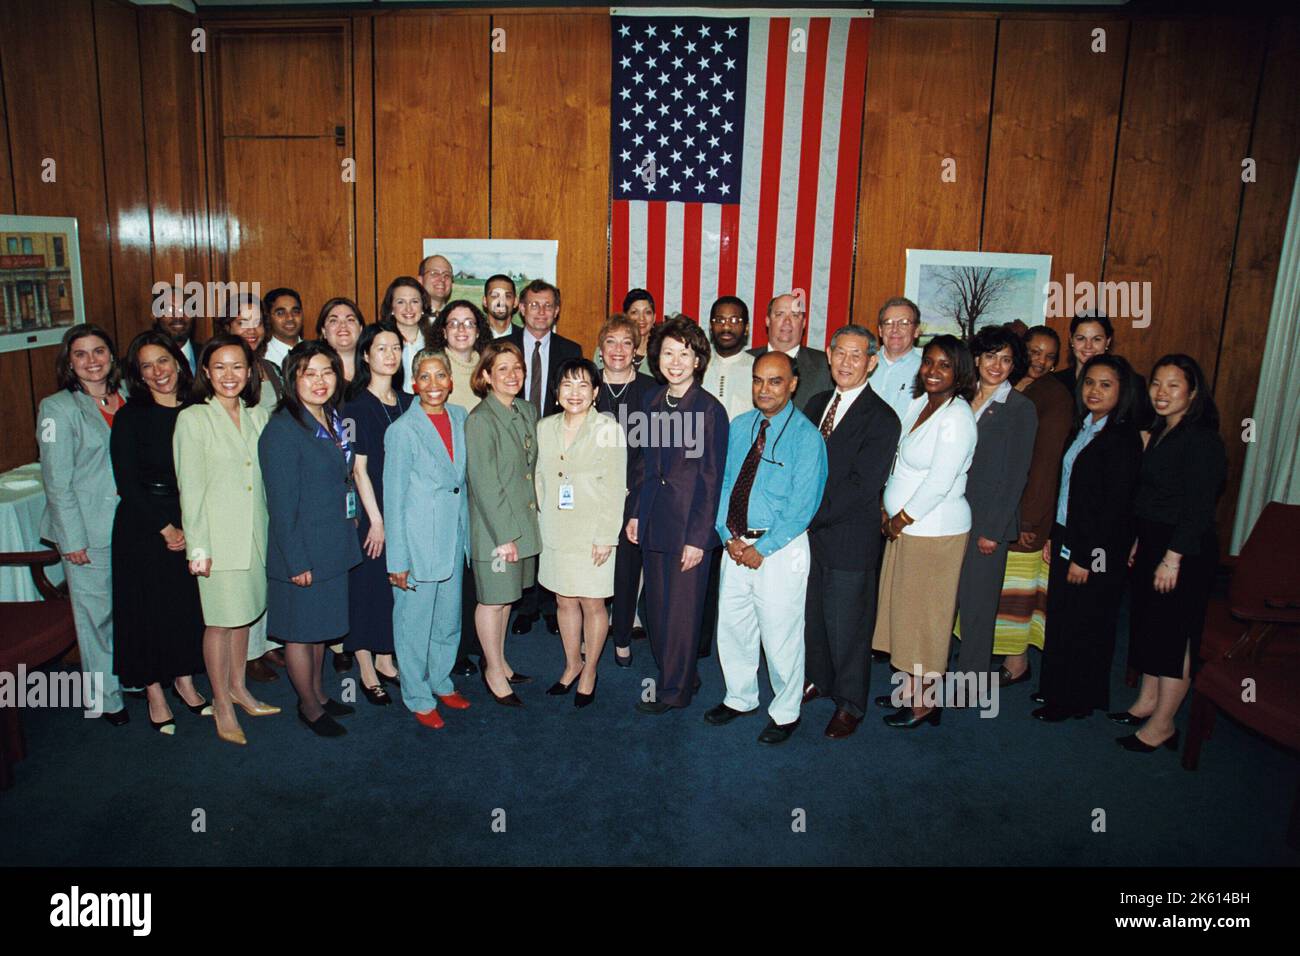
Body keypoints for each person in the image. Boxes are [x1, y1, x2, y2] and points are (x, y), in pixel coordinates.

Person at [704, 352, 827, 744]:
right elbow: (723, 485)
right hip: (736, 544)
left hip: (780, 550)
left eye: (775, 381)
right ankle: (740, 697)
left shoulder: (807, 438)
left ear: (793, 384)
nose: (764, 389)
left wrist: (764, 547)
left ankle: (786, 711)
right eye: (758, 380)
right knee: (734, 627)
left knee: (780, 634)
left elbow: (802, 505)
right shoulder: (741, 426)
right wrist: (726, 534)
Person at [1111, 355, 1226, 752]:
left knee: (1174, 637)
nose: (1161, 393)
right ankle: (1146, 703)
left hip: (1184, 551)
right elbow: (1153, 497)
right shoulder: (1164, 431)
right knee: (1150, 626)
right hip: (1154, 541)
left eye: (1173, 385)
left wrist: (1172, 557)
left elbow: (1197, 508)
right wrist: (1142, 542)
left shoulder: (1202, 440)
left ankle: (1163, 725)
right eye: (1156, 384)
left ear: (1193, 392)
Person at [174, 334, 280, 746]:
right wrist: (198, 548)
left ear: (251, 371)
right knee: (220, 623)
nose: (229, 375)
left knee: (245, 616)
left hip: (255, 537)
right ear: (205, 372)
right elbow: (192, 489)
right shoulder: (193, 419)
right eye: (219, 367)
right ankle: (220, 701)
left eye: (238, 366)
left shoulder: (256, 414)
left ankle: (238, 688)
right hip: (217, 542)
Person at [872, 335, 978, 729]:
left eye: (944, 365)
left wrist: (899, 519)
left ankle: (927, 704)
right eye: (928, 362)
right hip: (909, 529)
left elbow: (939, 481)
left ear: (960, 372)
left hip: (934, 532)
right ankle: (908, 692)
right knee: (906, 613)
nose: (933, 371)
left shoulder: (956, 417)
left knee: (927, 618)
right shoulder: (922, 403)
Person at [259, 341, 363, 737]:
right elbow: (282, 507)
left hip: (331, 543)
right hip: (302, 550)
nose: (320, 382)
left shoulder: (329, 418)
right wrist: (296, 561)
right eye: (309, 374)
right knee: (301, 634)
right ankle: (307, 707)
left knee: (320, 628)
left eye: (327, 372)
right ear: (292, 379)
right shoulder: (283, 429)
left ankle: (318, 694)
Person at [626, 316, 729, 714]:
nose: (675, 361)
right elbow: (643, 466)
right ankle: (681, 673)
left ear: (698, 359)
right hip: (653, 519)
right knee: (656, 610)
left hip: (689, 527)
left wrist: (699, 539)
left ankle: (674, 691)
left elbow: (712, 478)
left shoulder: (709, 410)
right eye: (668, 353)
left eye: (684, 354)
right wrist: (635, 512)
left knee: (682, 615)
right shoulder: (651, 401)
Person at [801, 326, 900, 738]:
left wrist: (805, 514)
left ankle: (850, 703)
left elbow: (863, 486)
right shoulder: (816, 402)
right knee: (815, 618)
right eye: (840, 353)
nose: (846, 362)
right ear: (828, 355)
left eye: (856, 356)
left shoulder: (882, 418)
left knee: (849, 626)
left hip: (848, 537)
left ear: (872, 362)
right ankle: (820, 680)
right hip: (809, 538)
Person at [1034, 355, 1144, 722]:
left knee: (1086, 621)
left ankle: (1076, 700)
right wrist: (1055, 534)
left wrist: (1084, 555)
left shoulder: (1122, 439)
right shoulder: (1085, 426)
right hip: (1069, 532)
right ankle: (1056, 687)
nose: (1095, 390)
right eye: (1090, 383)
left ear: (1122, 391)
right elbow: (1068, 488)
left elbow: (1114, 510)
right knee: (1063, 616)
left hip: (1095, 548)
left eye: (1106, 384)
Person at [110, 331, 208, 733]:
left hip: (190, 513)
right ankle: (153, 692)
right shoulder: (131, 415)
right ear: (138, 374)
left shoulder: (198, 407)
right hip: (144, 522)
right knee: (147, 610)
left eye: (162, 361)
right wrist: (165, 528)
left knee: (183, 607)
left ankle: (184, 681)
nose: (157, 371)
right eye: (146, 366)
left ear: (177, 362)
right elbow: (127, 483)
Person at [37, 324, 129, 724]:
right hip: (87, 531)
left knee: (126, 609)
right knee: (95, 617)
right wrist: (70, 539)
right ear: (69, 362)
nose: (92, 361)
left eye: (99, 351)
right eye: (81, 354)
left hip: (129, 526)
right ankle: (104, 698)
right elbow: (56, 483)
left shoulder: (124, 397)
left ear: (111, 356)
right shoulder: (57, 408)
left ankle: (128, 679)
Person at [384, 350, 473, 729]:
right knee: (414, 624)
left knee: (448, 620)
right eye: (425, 376)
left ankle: (441, 680)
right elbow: (394, 496)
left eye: (441, 376)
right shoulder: (402, 430)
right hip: (417, 544)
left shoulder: (459, 417)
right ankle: (417, 695)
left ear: (452, 381)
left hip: (453, 537)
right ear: (413, 383)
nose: (433, 384)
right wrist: (397, 560)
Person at [535, 359, 626, 707]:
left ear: (596, 393)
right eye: (567, 385)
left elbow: (617, 485)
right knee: (564, 600)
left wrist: (606, 536)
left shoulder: (608, 428)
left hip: (593, 531)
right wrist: (542, 512)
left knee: (592, 602)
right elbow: (541, 475)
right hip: (556, 529)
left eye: (583, 385)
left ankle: (590, 670)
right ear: (557, 393)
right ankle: (572, 664)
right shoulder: (545, 427)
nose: (575, 393)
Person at [952, 326, 1039, 678]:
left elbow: (1016, 475)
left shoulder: (1020, 408)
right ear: (976, 357)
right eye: (991, 356)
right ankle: (930, 684)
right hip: (950, 517)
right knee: (945, 604)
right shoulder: (958, 398)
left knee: (977, 609)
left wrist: (993, 529)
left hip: (988, 524)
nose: (997, 365)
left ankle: (969, 685)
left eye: (1006, 359)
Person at [991, 326, 1073, 685]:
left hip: (1027, 512)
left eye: (1049, 356)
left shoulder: (1054, 396)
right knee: (1001, 587)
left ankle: (1017, 662)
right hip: (999, 507)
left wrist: (1032, 519)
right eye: (1035, 352)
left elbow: (1045, 463)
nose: (1040, 361)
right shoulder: (1009, 384)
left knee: (1020, 594)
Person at [465, 340, 540, 706]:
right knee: (493, 601)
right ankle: (492, 669)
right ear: (485, 376)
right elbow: (484, 483)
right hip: (497, 533)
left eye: (517, 368)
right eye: (503, 369)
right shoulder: (480, 420)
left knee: (508, 599)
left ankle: (501, 660)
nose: (512, 375)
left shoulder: (527, 410)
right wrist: (505, 536)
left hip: (523, 525)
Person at [339, 322, 409, 703]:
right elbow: (357, 468)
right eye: (381, 348)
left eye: (396, 347)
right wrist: (377, 520)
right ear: (366, 355)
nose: (390, 354)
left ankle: (386, 659)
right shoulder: (354, 406)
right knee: (367, 589)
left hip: (403, 510)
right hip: (372, 513)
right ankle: (366, 670)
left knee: (390, 590)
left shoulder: (408, 401)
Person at [509, 279, 581, 635]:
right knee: (523, 523)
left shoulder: (571, 349)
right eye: (533, 304)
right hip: (513, 446)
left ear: (557, 311)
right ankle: (525, 604)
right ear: (520, 309)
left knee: (554, 523)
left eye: (547, 305)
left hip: (557, 448)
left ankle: (553, 601)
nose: (540, 311)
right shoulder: (501, 347)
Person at [594, 314, 657, 668]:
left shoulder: (651, 391)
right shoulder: (586, 386)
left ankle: (621, 640)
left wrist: (637, 498)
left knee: (628, 569)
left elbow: (656, 451)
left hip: (636, 493)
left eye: (626, 343)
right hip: (592, 496)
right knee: (593, 568)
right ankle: (592, 634)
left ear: (637, 351)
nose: (618, 349)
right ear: (600, 350)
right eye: (611, 342)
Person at [747, 292, 831, 412]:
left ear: (804, 323)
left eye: (795, 315)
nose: (787, 321)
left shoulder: (825, 366)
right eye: (779, 314)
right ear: (768, 321)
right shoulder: (746, 361)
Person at [216, 292, 285, 410]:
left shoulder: (271, 368)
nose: (252, 330)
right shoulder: (219, 371)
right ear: (228, 327)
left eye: (257, 323)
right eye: (243, 323)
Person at [868, 296, 924, 420]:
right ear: (880, 331)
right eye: (888, 323)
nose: (895, 329)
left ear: (916, 331)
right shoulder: (862, 364)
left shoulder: (925, 372)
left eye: (904, 323)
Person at [431, 300, 491, 412]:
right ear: (444, 332)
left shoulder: (489, 367)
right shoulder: (434, 368)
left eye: (469, 323)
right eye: (453, 324)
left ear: (477, 332)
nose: (461, 329)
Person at [380, 276, 433, 391]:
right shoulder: (380, 342)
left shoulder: (436, 341)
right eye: (401, 302)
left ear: (423, 306)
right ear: (391, 308)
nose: (408, 308)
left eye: (414, 301)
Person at [1053, 312, 1113, 395]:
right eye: (1081, 338)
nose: (1088, 346)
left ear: (1107, 342)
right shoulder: (1054, 383)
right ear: (1071, 339)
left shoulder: (1124, 383)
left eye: (1096, 339)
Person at [151, 284, 201, 372]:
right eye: (169, 310)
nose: (178, 316)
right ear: (155, 316)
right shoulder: (138, 361)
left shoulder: (208, 357)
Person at [316, 297, 365, 383]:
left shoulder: (377, 369)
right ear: (323, 331)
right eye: (333, 321)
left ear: (360, 328)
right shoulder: (314, 372)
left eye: (350, 320)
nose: (343, 325)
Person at [263, 287, 304, 370]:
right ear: (268, 317)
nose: (290, 318)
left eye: (295, 312)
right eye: (280, 313)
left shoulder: (316, 352)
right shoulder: (262, 357)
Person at [620, 288, 656, 374]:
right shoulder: (608, 349)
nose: (641, 318)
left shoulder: (662, 351)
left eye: (647, 312)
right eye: (634, 312)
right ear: (625, 317)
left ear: (654, 318)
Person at [482, 274, 519, 338]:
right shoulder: (473, 337)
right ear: (485, 301)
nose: (501, 302)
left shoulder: (523, 338)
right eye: (494, 296)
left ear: (515, 302)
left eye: (507, 296)